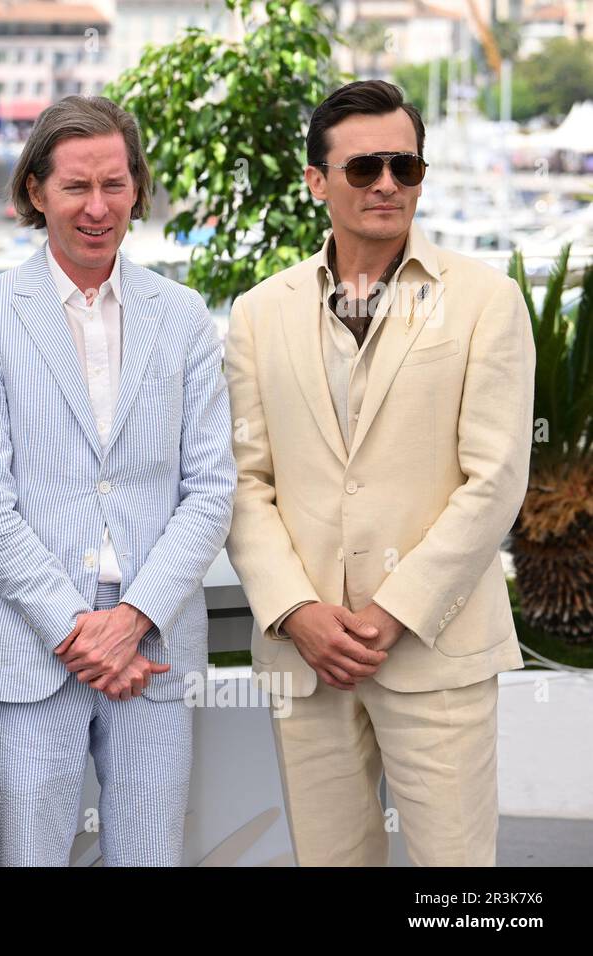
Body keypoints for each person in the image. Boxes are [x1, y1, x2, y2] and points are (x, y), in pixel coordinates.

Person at [223, 80, 536, 866]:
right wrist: (298, 611)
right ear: (317, 181)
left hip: (436, 649)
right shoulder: (260, 313)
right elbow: (240, 479)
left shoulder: (487, 302)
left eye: (406, 165)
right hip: (309, 656)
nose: (389, 184)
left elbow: (495, 479)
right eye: (364, 168)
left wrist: (394, 610)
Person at [0, 95, 236, 866]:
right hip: (33, 644)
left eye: (115, 183)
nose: (97, 207)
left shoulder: (182, 316)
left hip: (156, 641)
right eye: (76, 186)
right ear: (36, 191)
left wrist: (133, 616)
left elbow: (210, 489)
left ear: (137, 187)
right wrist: (80, 629)